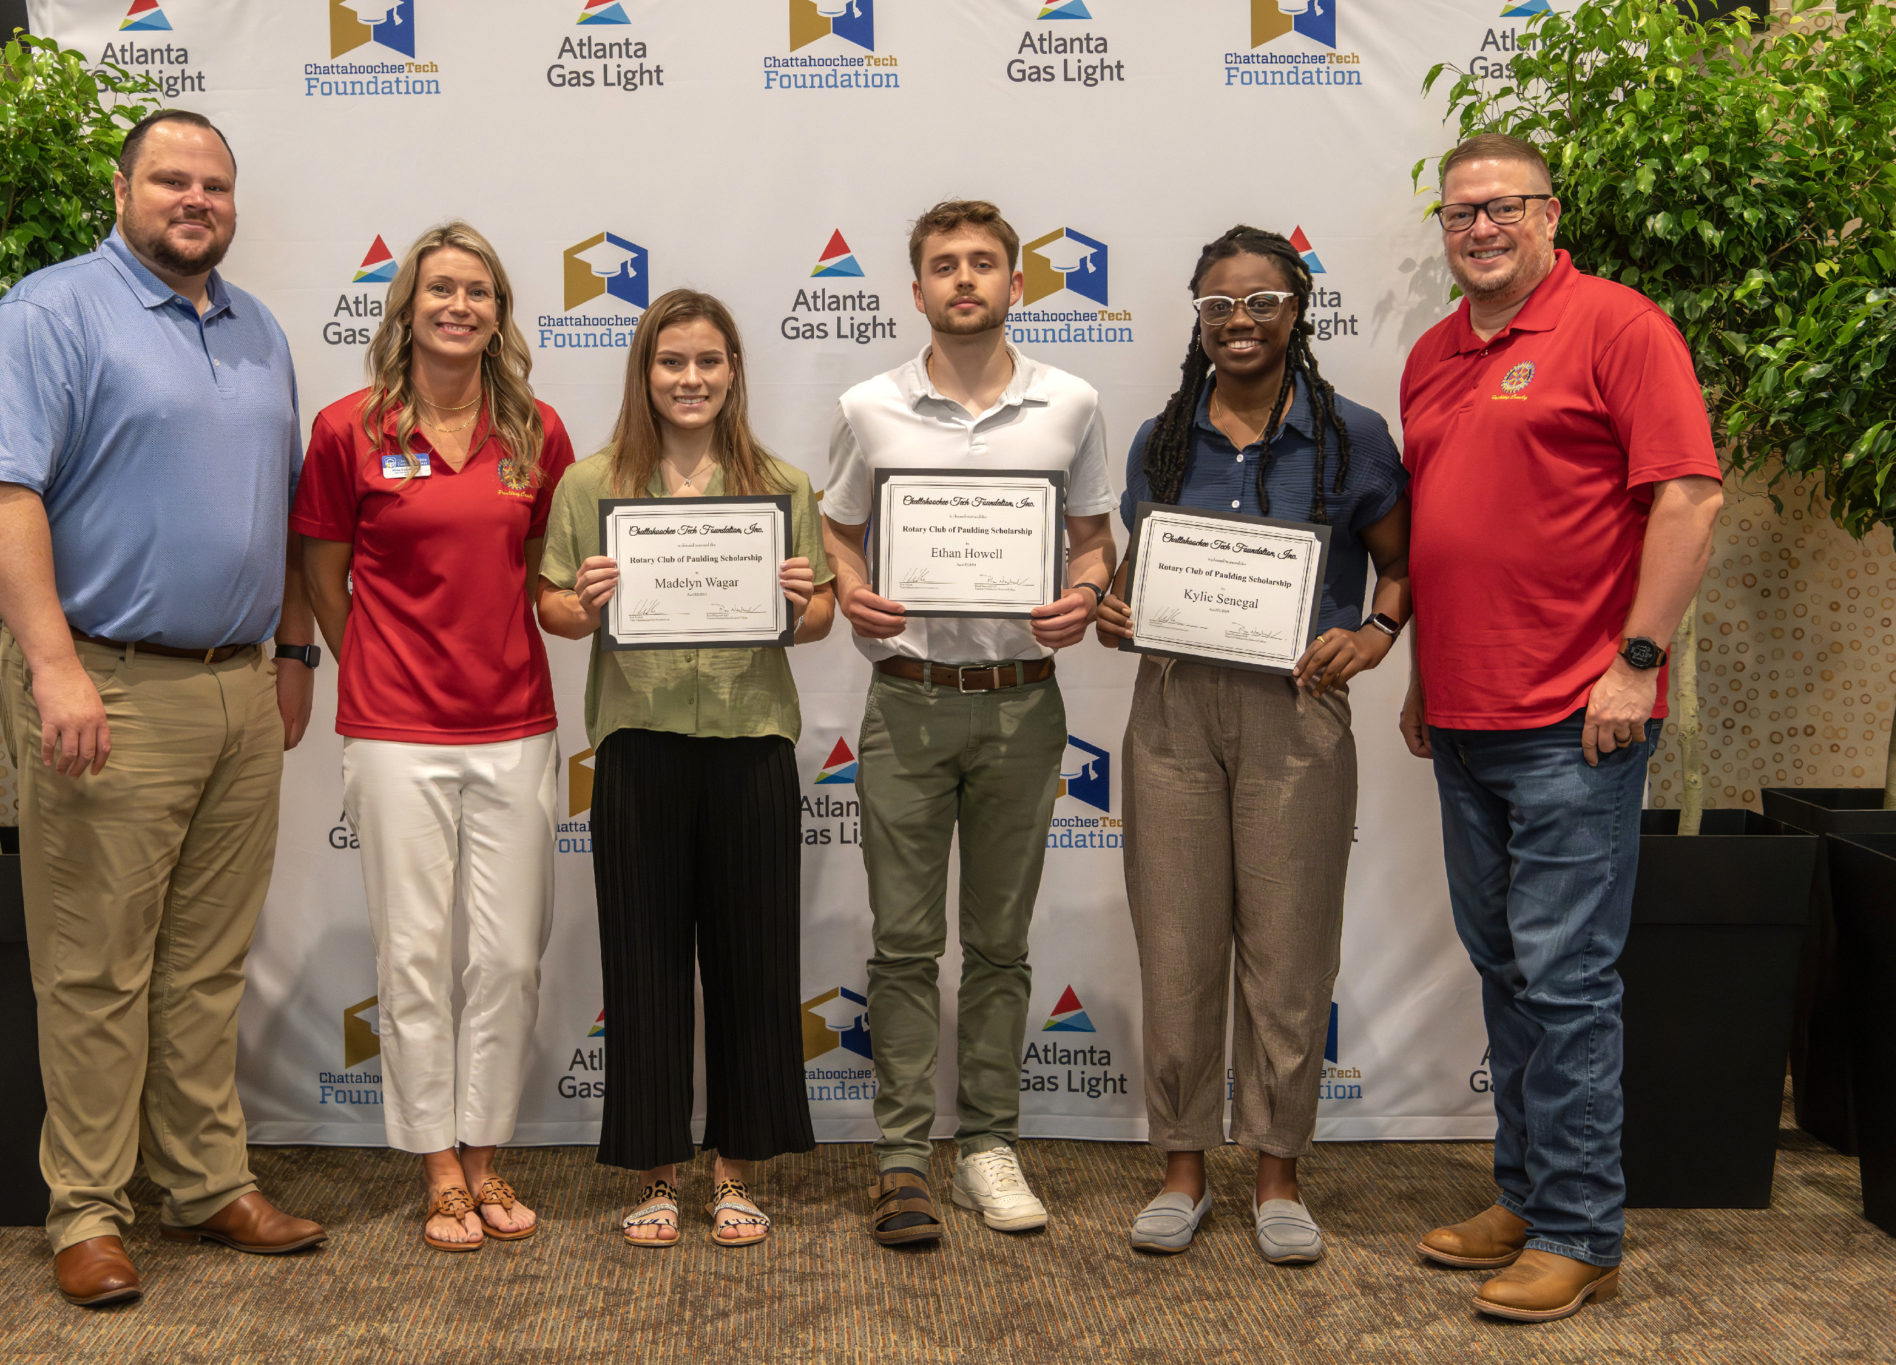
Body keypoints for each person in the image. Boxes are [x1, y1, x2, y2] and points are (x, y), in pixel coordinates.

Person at [0, 109, 326, 1308]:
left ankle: (206, 1179)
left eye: (215, 183)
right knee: (95, 969)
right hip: (107, 683)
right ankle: (89, 1212)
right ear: (121, 190)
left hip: (237, 683)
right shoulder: (49, 313)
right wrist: (54, 668)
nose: (195, 199)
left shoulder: (258, 329)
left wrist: (296, 654)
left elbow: (280, 511)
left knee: (206, 965)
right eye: (171, 179)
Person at [1398, 132, 1723, 1322]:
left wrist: (1635, 663)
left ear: (1547, 213)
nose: (1477, 230)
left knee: (1565, 978)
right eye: (1457, 214)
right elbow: (1448, 529)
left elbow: (1685, 498)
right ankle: (1527, 1196)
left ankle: (1582, 1230)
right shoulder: (1432, 354)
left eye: (1501, 209)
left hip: (1574, 718)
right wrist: (1425, 671)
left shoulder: (1617, 326)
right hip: (1465, 711)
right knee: (1504, 972)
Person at [1094, 226, 1410, 1263]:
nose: (1238, 322)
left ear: (1295, 312)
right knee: (1176, 945)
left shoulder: (1350, 435)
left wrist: (1374, 632)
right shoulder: (1161, 439)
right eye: (1218, 305)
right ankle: (1181, 1168)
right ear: (1197, 318)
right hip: (1174, 707)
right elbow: (1142, 579)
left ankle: (1277, 1174)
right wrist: (1113, 609)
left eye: (1260, 302)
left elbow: (1397, 568)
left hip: (1295, 710)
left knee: (1286, 953)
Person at [821, 200, 1117, 1246]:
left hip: (1021, 706)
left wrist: (1083, 596)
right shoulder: (868, 407)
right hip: (905, 701)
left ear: (1014, 284)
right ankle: (903, 1156)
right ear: (915, 290)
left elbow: (1092, 541)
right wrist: (850, 591)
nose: (963, 279)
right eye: (943, 265)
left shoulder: (1069, 403)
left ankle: (987, 1143)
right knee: (903, 946)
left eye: (982, 263)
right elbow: (836, 526)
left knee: (997, 944)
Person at [292, 223, 575, 1253]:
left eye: (479, 292)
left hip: (515, 725)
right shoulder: (343, 430)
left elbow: (538, 566)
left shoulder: (537, 432)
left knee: (504, 958)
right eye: (439, 289)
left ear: (499, 313)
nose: (458, 306)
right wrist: (371, 659)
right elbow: (322, 575)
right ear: (405, 305)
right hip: (394, 729)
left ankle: (488, 1150)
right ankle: (439, 1168)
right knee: (414, 955)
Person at [536, 289, 834, 1248]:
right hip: (639, 748)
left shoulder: (783, 485)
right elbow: (551, 606)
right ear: (645, 373)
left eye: (708, 362)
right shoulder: (591, 485)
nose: (691, 379)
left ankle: (737, 1171)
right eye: (672, 363)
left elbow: (820, 616)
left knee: (753, 964)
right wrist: (582, 605)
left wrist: (801, 601)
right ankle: (657, 1173)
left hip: (752, 746)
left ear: (735, 371)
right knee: (646, 961)